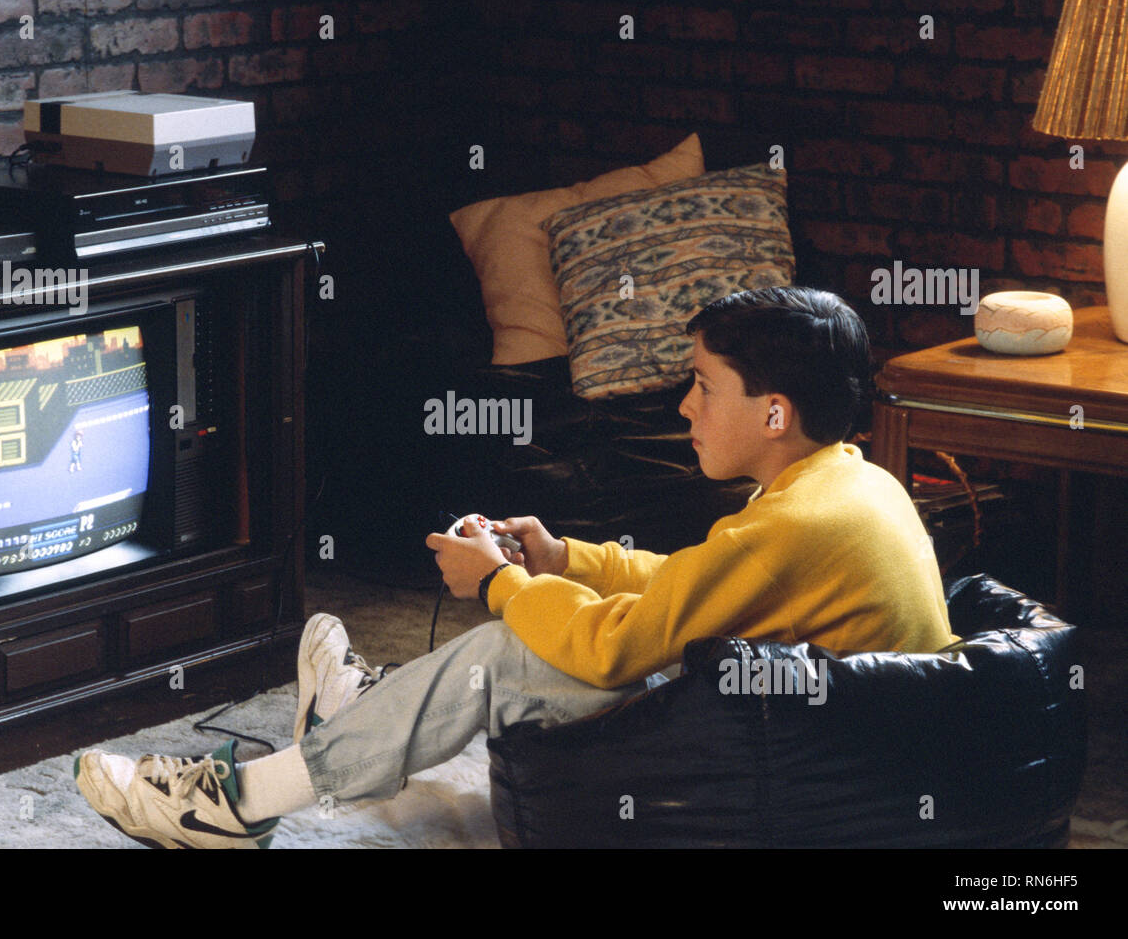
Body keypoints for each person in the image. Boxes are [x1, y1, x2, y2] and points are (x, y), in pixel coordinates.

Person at [73, 286, 956, 848]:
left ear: (774, 413)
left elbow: (617, 650)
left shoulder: (795, 522)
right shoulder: (845, 484)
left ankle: (233, 804)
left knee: (510, 657)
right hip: (833, 754)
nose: (686, 404)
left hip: (815, 783)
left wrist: (499, 582)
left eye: (704, 386)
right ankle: (369, 721)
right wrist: (566, 556)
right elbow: (691, 586)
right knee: (522, 651)